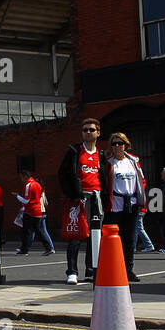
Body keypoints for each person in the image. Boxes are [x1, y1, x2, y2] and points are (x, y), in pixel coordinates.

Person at [58, 118, 104, 285]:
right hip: (79, 199)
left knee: (95, 236)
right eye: (85, 130)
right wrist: (73, 194)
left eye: (91, 130)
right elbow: (62, 174)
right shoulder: (74, 151)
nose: (88, 132)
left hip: (95, 198)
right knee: (75, 236)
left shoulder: (101, 155)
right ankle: (72, 271)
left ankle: (91, 270)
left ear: (98, 132)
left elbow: (104, 178)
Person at [101, 133, 146, 282]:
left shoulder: (133, 161)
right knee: (112, 239)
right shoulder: (109, 163)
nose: (117, 146)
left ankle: (128, 269)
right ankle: (112, 268)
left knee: (131, 239)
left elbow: (141, 181)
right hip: (115, 205)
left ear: (126, 144)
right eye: (114, 143)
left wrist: (141, 200)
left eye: (120, 143)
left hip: (131, 204)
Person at [13, 169, 54, 256]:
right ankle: (48, 247)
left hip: (30, 211)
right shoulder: (37, 184)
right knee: (39, 230)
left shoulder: (28, 185)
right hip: (38, 210)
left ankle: (24, 250)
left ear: (25, 176)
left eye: (21, 177)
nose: (21, 179)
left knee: (27, 231)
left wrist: (17, 196)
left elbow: (26, 200)